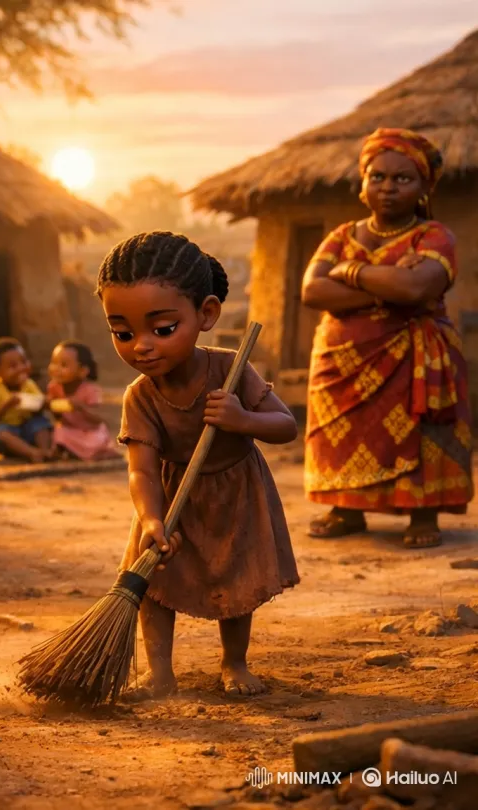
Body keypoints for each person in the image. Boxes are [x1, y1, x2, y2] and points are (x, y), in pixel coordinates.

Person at [96, 231, 299, 698]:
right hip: (170, 498)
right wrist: (151, 518)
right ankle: (159, 673)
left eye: (162, 329)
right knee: (154, 582)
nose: (141, 346)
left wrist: (242, 418)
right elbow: (142, 469)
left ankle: (234, 662)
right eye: (123, 333)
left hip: (235, 492)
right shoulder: (140, 396)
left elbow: (285, 426)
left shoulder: (230, 369)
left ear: (206, 314)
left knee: (236, 577)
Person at [301, 127, 473, 548]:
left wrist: (353, 272)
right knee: (346, 434)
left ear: (422, 188)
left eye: (402, 178)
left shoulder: (435, 237)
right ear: (362, 185)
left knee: (421, 428)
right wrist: (388, 282)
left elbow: (419, 289)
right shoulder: (341, 236)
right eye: (377, 177)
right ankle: (347, 509)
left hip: (415, 355)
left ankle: (422, 511)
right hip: (342, 359)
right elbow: (311, 290)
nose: (388, 187)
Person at [0, 337, 52, 463]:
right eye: (13, 366)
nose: (21, 368)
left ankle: (44, 450)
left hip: (27, 429)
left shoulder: (28, 384)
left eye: (24, 362)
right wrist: (7, 404)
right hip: (7, 432)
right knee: (0, 434)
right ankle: (31, 452)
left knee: (40, 423)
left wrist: (45, 402)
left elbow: (39, 405)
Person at [47, 340, 118, 461]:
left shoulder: (90, 389)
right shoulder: (53, 387)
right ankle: (65, 452)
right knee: (59, 431)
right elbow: (58, 418)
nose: (56, 369)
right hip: (70, 429)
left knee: (96, 440)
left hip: (90, 431)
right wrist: (50, 405)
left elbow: (98, 418)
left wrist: (81, 407)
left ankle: (97, 452)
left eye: (63, 365)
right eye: (54, 363)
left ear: (82, 371)